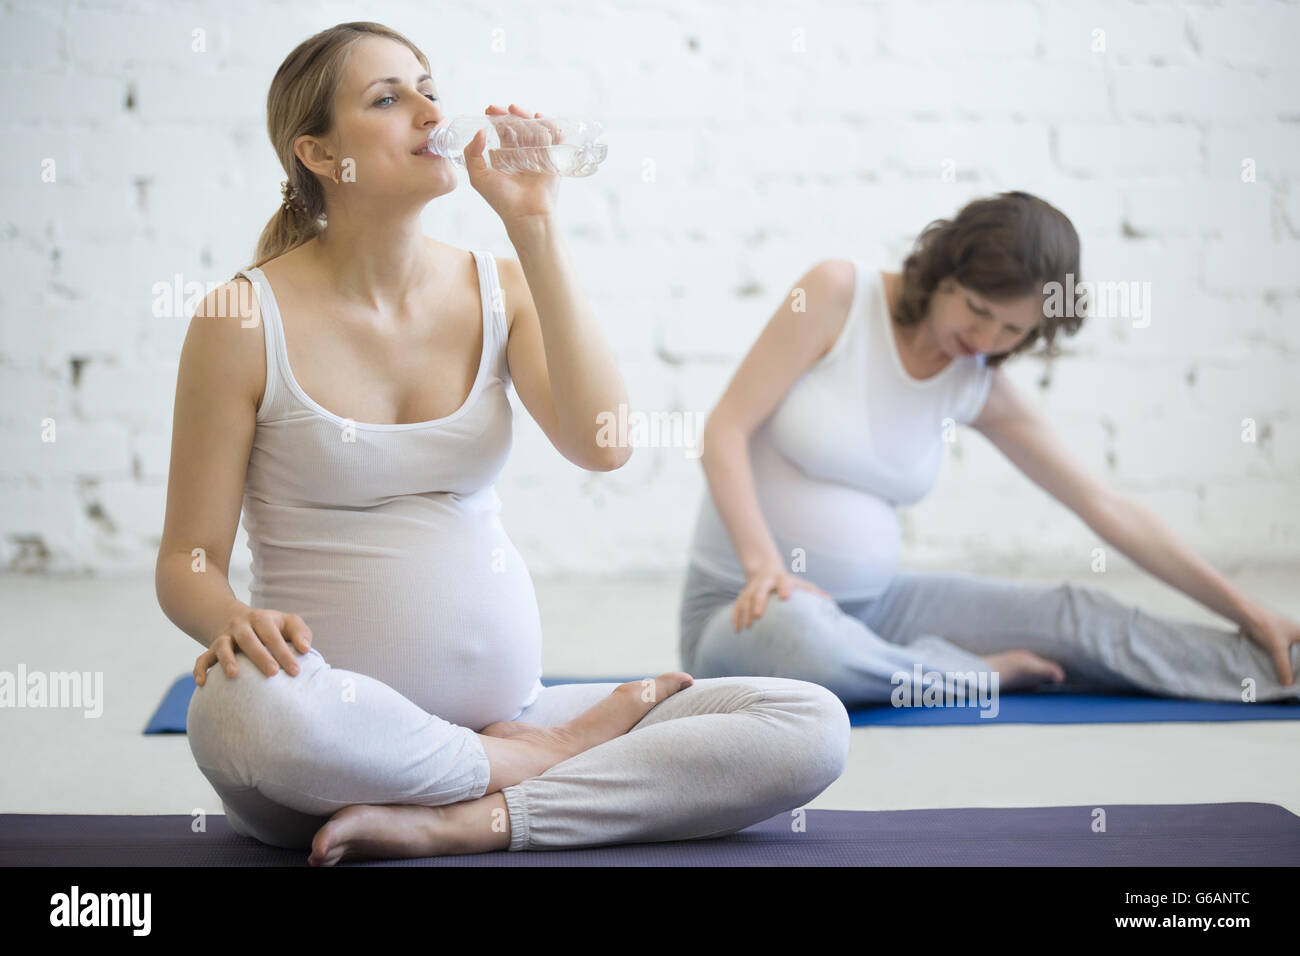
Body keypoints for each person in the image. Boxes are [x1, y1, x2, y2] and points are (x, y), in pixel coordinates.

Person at [155, 22, 849, 867]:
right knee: (236, 711)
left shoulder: (499, 287)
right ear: (318, 153)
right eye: (387, 97)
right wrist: (232, 622)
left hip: (509, 712)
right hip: (326, 740)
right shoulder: (241, 319)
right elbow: (188, 561)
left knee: (808, 726)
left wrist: (536, 228)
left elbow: (606, 447)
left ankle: (465, 817)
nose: (429, 109)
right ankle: (527, 774)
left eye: (428, 88)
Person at [679, 191, 1300, 707]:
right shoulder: (838, 294)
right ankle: (972, 676)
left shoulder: (976, 379)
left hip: (878, 609)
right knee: (806, 645)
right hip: (750, 608)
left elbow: (1102, 502)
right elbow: (723, 430)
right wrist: (767, 569)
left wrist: (1247, 608)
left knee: (1074, 615)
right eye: (977, 311)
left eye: (1011, 330)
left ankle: (1280, 670)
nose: (984, 339)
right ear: (941, 272)